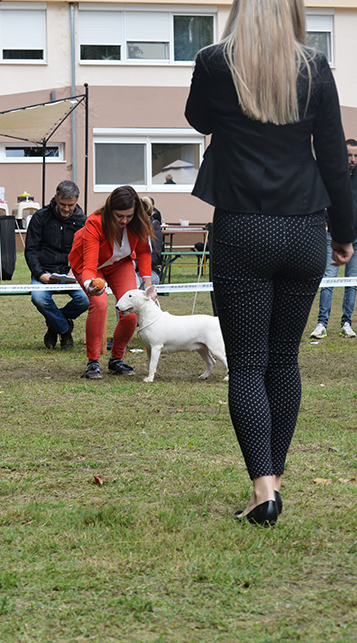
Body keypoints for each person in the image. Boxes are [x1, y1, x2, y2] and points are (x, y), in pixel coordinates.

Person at [185, 0, 356, 526]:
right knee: (284, 359)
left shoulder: (215, 61)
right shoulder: (315, 67)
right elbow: (332, 153)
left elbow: (197, 119)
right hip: (305, 223)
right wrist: (345, 233)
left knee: (248, 362)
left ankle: (263, 488)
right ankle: (273, 484)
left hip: (243, 223)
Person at [68, 185, 154, 380]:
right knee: (99, 305)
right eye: (119, 216)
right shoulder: (95, 222)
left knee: (131, 311)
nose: (124, 221)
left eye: (128, 216)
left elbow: (142, 251)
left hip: (119, 262)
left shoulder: (139, 221)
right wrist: (90, 283)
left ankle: (117, 359)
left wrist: (147, 283)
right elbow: (90, 262)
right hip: (88, 263)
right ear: (110, 211)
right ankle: (93, 363)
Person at [24, 180, 88, 351]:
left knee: (85, 300)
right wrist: (39, 274)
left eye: (71, 205)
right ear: (55, 198)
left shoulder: (83, 221)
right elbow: (31, 250)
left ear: (77, 201)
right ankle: (65, 330)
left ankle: (54, 325)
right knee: (38, 298)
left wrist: (76, 271)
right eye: (63, 204)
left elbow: (86, 251)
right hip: (44, 272)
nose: (66, 209)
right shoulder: (40, 217)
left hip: (72, 273)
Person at [310, 137, 357, 339]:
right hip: (334, 236)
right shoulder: (333, 175)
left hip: (356, 239)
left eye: (356, 155)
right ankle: (322, 323)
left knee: (352, 282)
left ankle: (346, 323)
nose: (353, 159)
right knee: (328, 280)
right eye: (349, 155)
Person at [139, 196, 164, 285]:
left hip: (151, 270)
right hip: (131, 270)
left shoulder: (154, 226)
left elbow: (154, 257)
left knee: (135, 283)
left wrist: (135, 264)